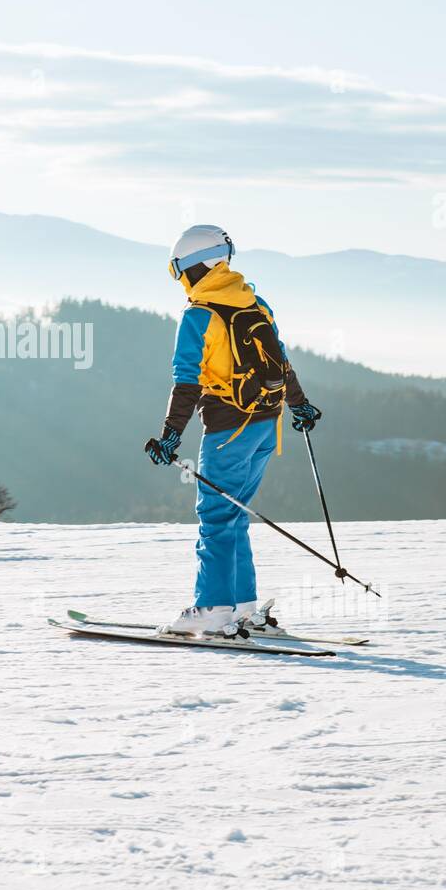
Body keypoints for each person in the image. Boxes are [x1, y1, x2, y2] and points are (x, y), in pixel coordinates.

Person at [144, 224, 321, 639]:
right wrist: (299, 404)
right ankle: (243, 608)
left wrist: (170, 435)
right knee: (234, 514)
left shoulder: (198, 315)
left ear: (193, 267)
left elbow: (186, 383)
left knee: (215, 517)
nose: (180, 281)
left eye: (178, 271)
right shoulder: (256, 303)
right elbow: (282, 361)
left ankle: (212, 609)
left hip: (229, 427)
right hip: (266, 423)